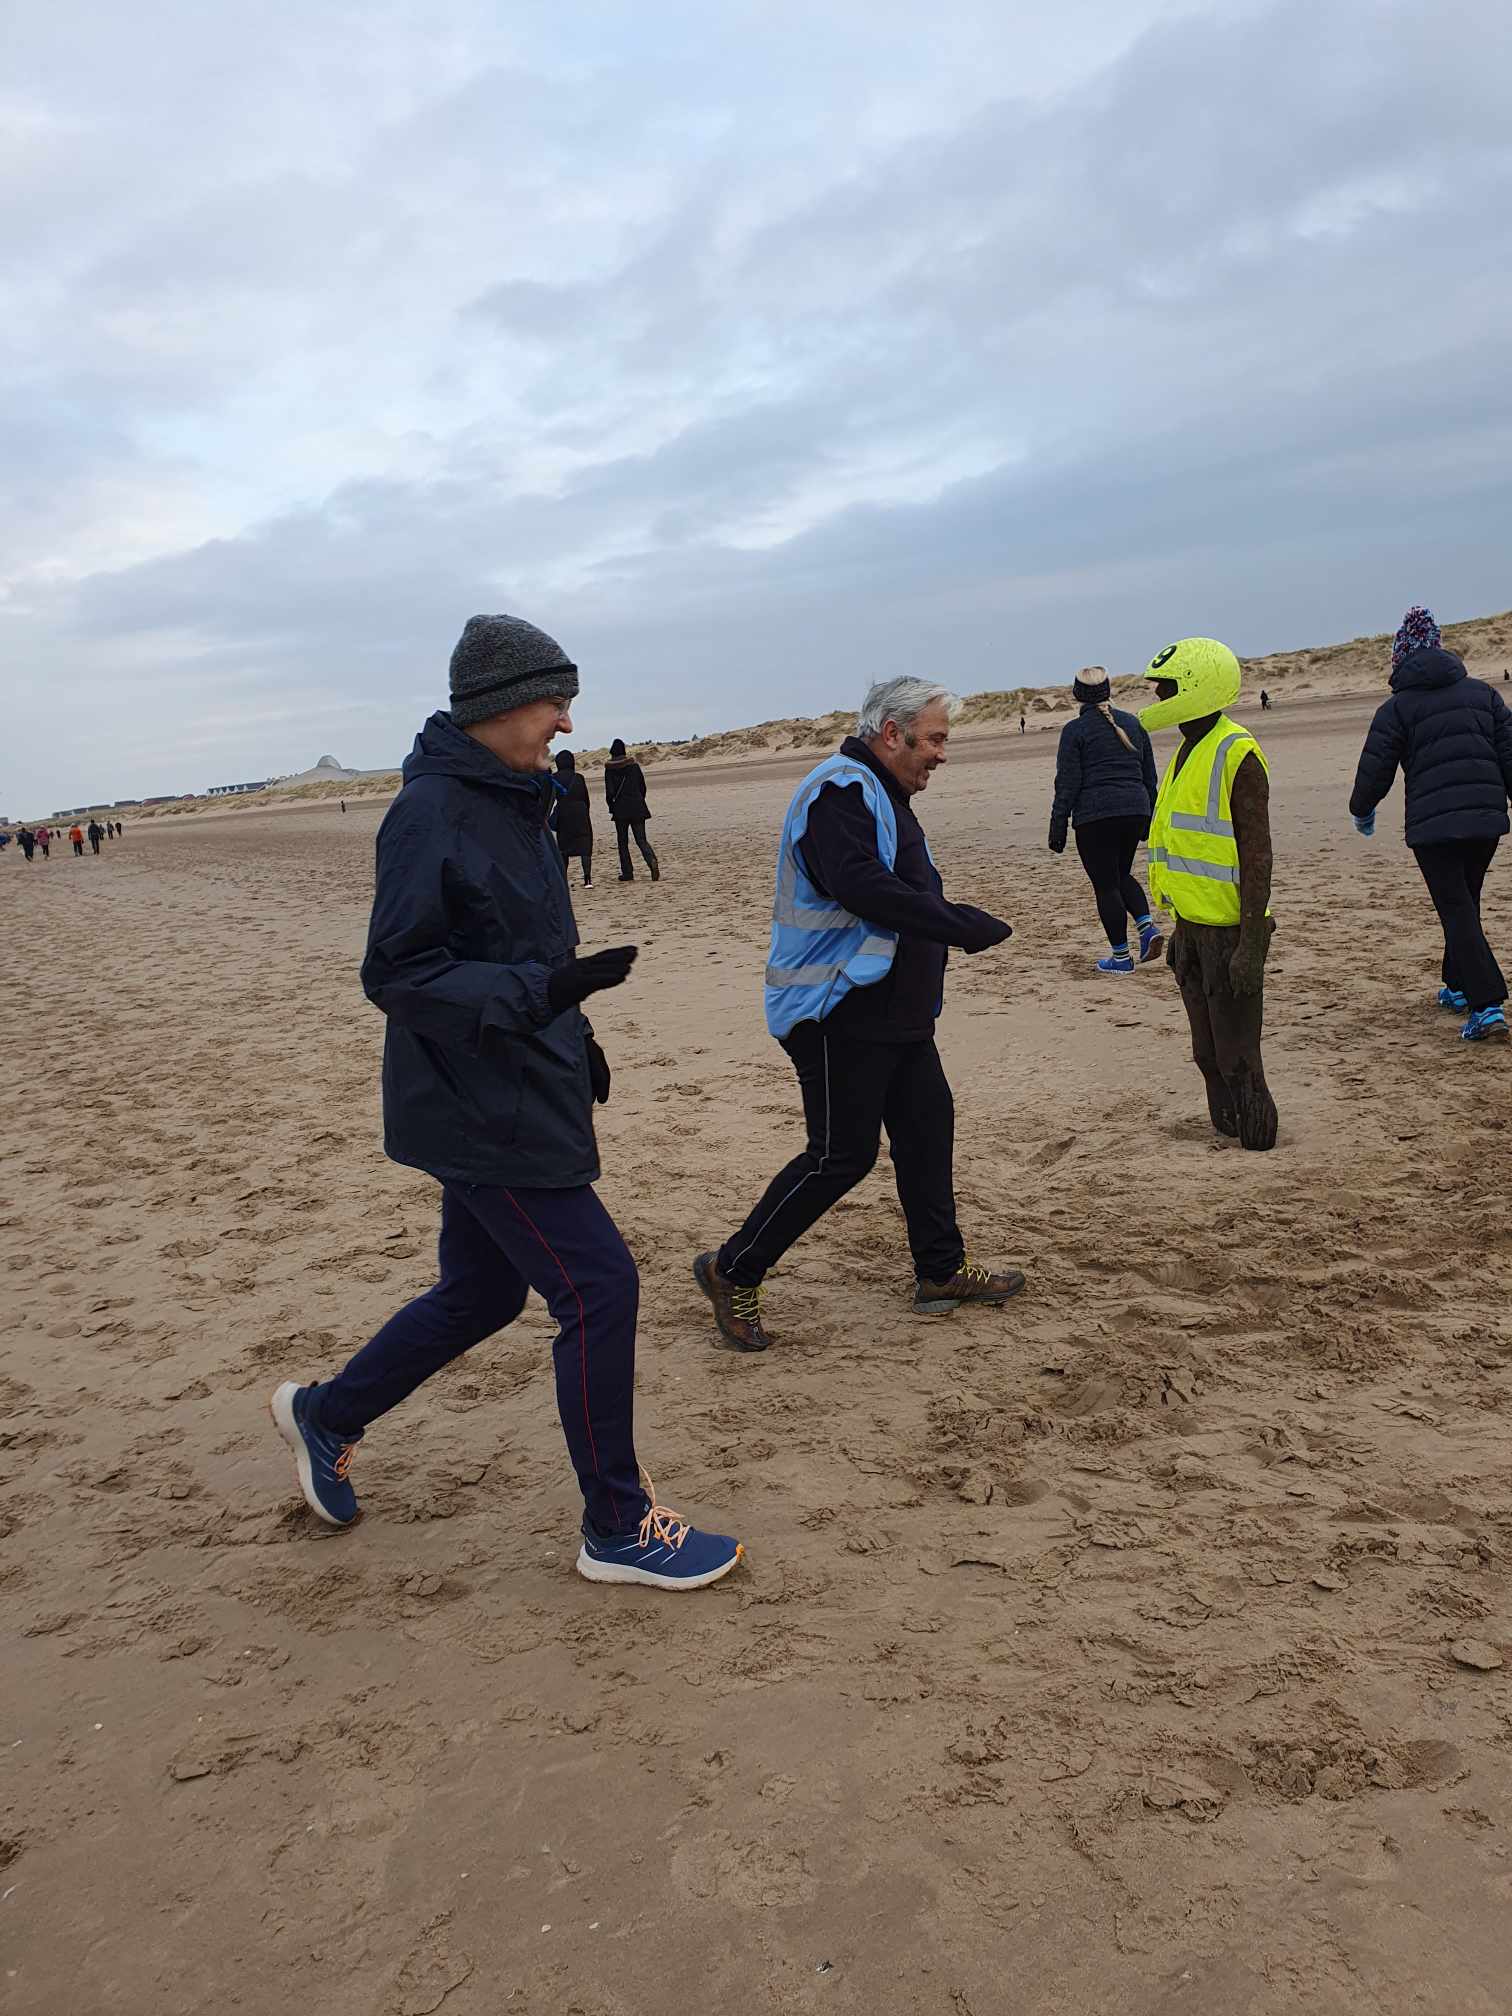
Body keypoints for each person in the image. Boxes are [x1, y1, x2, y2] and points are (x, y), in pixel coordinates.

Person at [271, 612, 742, 1590]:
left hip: (525, 1076)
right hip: (479, 1102)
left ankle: (327, 1414)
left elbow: (529, 954)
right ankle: (616, 1524)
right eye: (554, 703)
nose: (567, 723)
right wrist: (538, 1003)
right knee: (600, 1286)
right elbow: (397, 975)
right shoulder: (430, 813)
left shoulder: (516, 796)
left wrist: (579, 1034)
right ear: (497, 706)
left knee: (483, 1291)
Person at [694, 675, 1024, 1352]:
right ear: (891, 733)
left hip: (892, 1012)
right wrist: (957, 923)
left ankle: (939, 1271)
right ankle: (733, 1270)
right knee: (840, 1156)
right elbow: (863, 888)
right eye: (933, 739)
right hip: (835, 1007)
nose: (941, 754)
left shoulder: (883, 792)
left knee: (928, 1130)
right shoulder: (840, 790)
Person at [1349, 605, 1512, 1044]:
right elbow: (1509, 755)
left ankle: (1486, 1004)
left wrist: (1362, 810)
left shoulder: (1397, 707)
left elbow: (1375, 770)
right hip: (1485, 820)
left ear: (1400, 657)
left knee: (1456, 907)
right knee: (1465, 902)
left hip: (1433, 828)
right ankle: (1458, 985)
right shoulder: (1485, 695)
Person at [1143, 637, 1278, 1151]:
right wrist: (1180, 930)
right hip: (1195, 931)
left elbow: (1257, 853)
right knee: (1206, 1052)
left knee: (1238, 1055)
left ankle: (1258, 1143)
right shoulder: (1187, 750)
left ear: (1197, 687)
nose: (1158, 697)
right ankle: (1226, 1129)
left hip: (1230, 931)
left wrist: (1251, 942)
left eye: (1167, 688)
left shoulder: (1235, 751)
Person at [1048, 666, 1163, 974]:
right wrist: (1150, 817)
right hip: (1134, 809)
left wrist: (1058, 825)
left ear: (1076, 695)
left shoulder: (1075, 731)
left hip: (1095, 815)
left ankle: (1121, 958)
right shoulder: (1133, 724)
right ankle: (1147, 927)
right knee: (1120, 875)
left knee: (1105, 885)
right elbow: (1149, 777)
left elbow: (1067, 782)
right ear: (1109, 691)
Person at [604, 740, 659, 882]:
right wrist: (639, 800)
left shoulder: (610, 769)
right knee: (641, 839)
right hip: (637, 807)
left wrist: (611, 806)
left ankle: (627, 872)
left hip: (620, 809)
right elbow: (642, 787)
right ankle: (651, 860)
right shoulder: (634, 767)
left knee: (623, 843)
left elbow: (609, 793)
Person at [549, 749, 594, 888]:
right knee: (585, 848)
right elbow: (586, 799)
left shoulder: (554, 778)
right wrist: (584, 812)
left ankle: (563, 880)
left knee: (564, 849)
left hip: (564, 813)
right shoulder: (579, 777)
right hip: (581, 813)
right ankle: (587, 880)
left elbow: (550, 799)